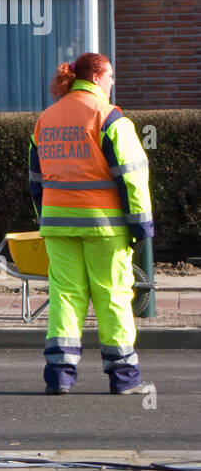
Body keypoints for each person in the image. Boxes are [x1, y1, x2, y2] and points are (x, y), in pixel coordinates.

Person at [29, 52, 154, 395]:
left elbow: (35, 180)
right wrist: (142, 227)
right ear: (97, 77)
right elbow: (133, 177)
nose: (113, 83)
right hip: (105, 226)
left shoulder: (47, 119)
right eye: (111, 76)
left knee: (65, 296)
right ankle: (124, 378)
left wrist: (49, 217)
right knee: (112, 295)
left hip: (58, 225)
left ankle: (59, 376)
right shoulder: (110, 118)